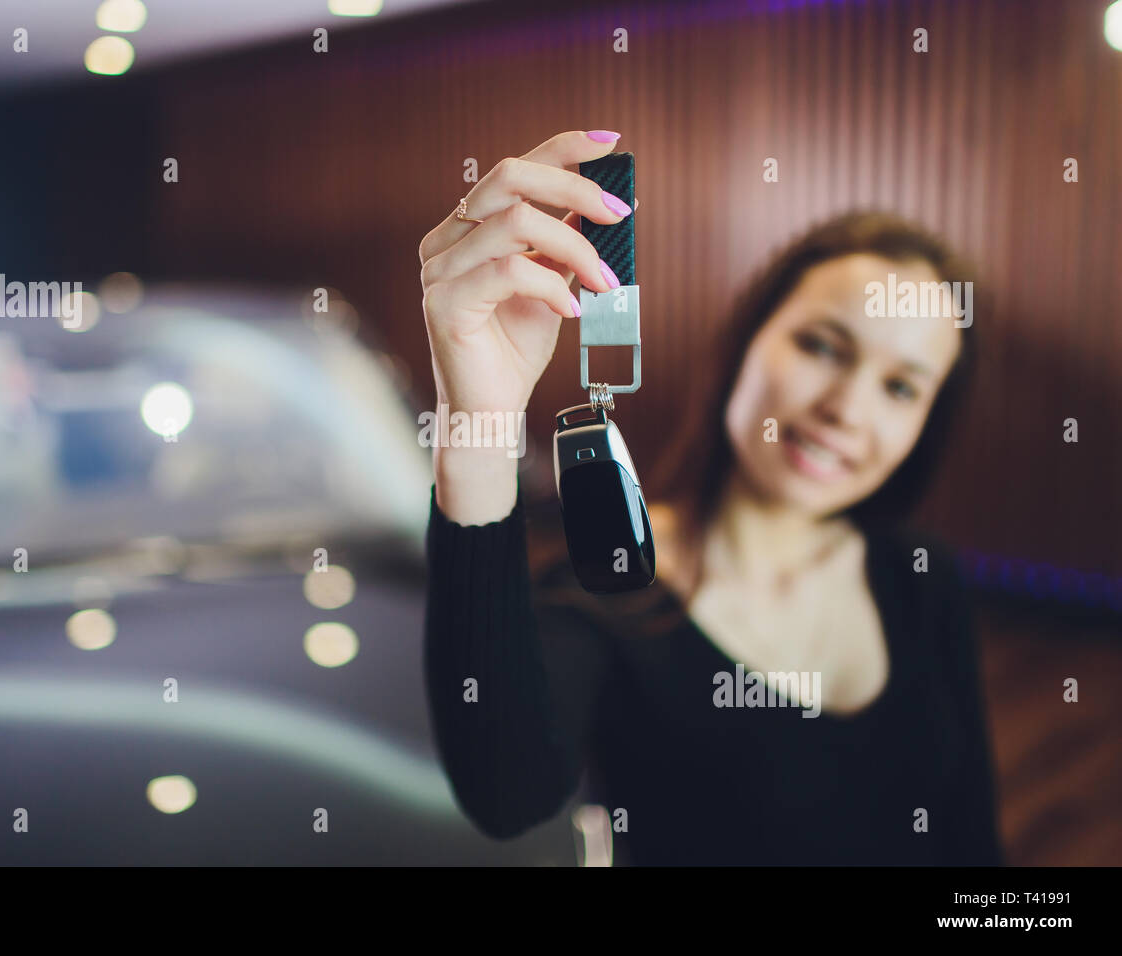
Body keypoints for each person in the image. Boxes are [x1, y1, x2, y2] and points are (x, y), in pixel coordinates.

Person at [417, 128, 1004, 865]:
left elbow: (973, 844)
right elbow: (506, 796)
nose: (847, 410)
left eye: (900, 386)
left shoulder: (921, 575)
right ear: (744, 344)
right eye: (823, 345)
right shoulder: (607, 595)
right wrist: (478, 426)